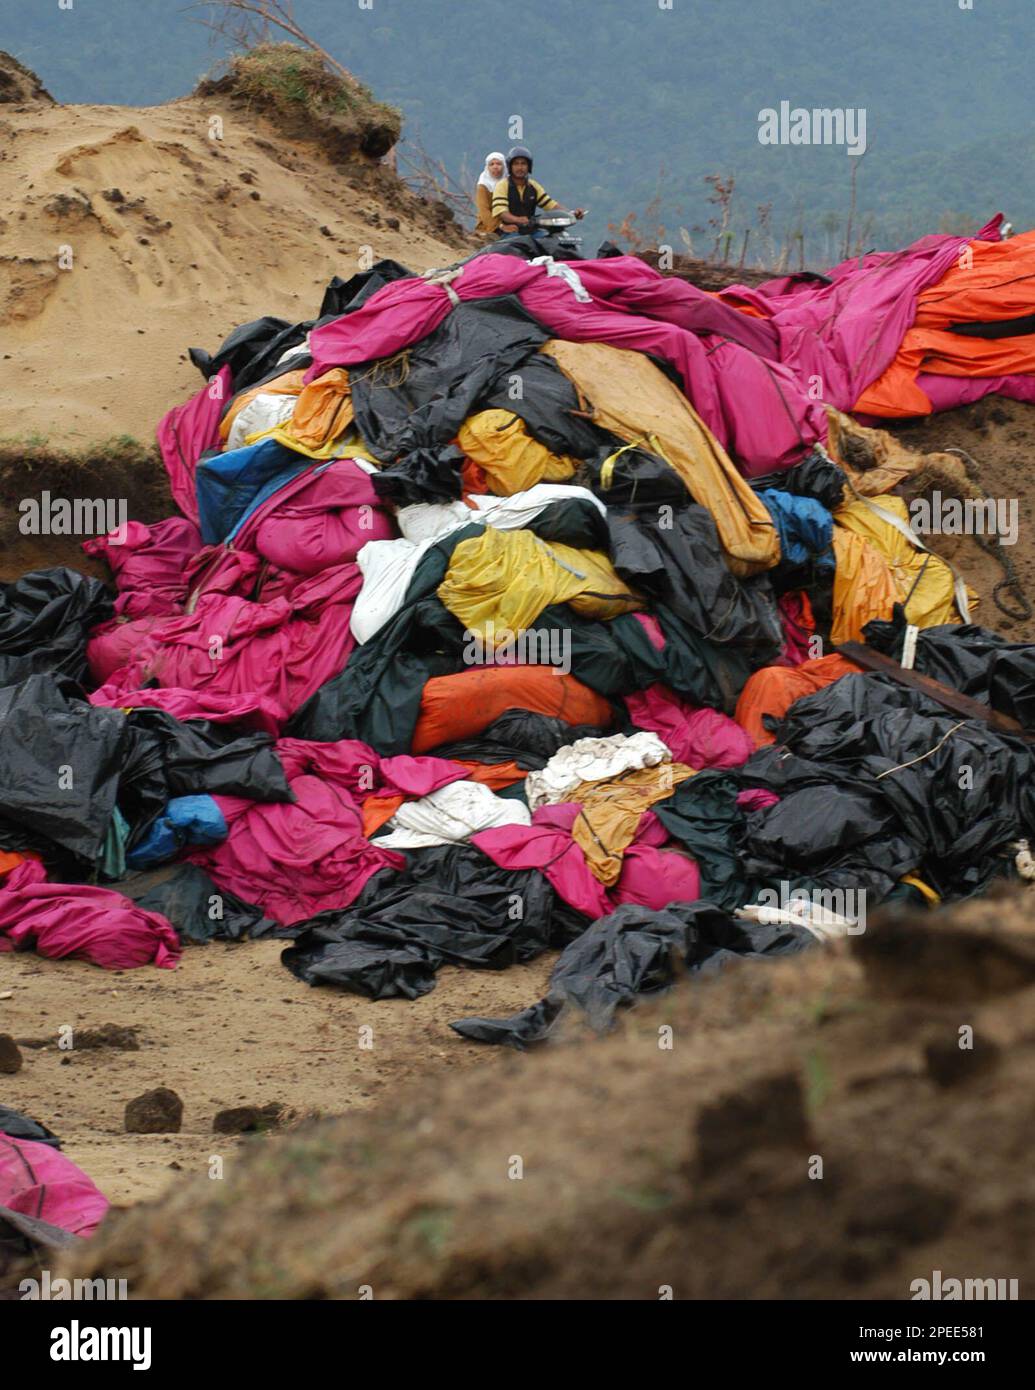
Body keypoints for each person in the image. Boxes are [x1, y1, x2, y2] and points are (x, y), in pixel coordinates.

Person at [490, 145, 585, 239]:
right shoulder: (502, 185)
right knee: (519, 246)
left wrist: (571, 214)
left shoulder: (533, 186)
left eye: (523, 164)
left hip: (532, 231)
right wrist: (517, 220)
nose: (520, 167)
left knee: (553, 242)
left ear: (529, 166)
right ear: (510, 166)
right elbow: (502, 213)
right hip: (510, 231)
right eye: (516, 164)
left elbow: (551, 205)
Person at [475, 151, 506, 235]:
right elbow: (484, 210)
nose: (495, 167)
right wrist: (499, 227)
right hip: (488, 227)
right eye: (491, 164)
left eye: (498, 164)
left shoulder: (508, 182)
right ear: (487, 167)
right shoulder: (483, 185)